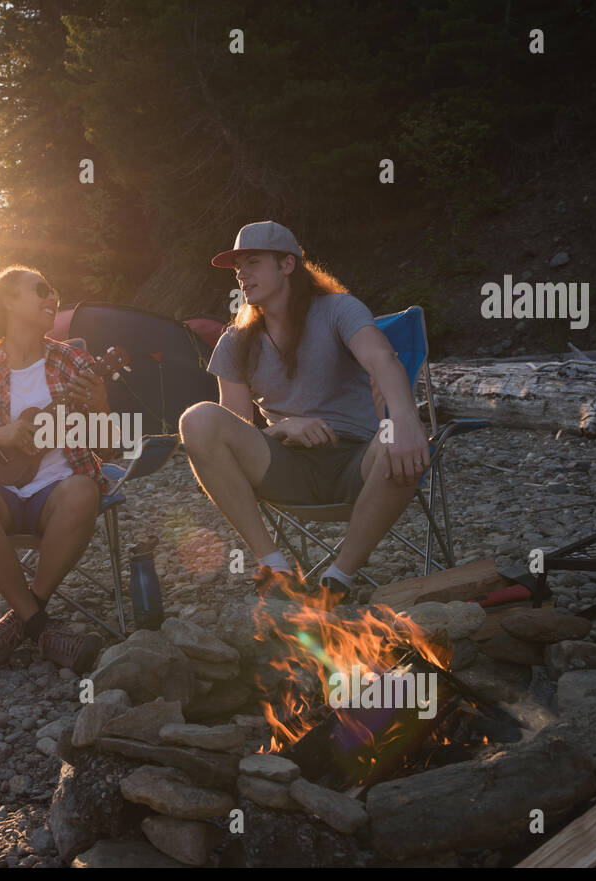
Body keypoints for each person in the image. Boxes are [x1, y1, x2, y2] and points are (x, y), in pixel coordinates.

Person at [179, 221, 431, 603]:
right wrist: (284, 429)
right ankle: (274, 567)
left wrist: (406, 421)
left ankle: (339, 577)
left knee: (394, 432)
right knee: (197, 419)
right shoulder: (235, 341)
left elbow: (383, 359)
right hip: (286, 467)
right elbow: (234, 428)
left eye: (253, 262)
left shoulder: (338, 310)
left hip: (358, 464)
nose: (241, 275)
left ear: (287, 264)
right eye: (238, 268)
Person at [0, 265, 114, 673]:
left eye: (54, 292)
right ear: (9, 301)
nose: (53, 298)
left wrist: (101, 404)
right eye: (41, 290)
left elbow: (108, 447)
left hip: (58, 493)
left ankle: (20, 622)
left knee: (84, 490)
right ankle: (40, 626)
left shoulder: (74, 362)